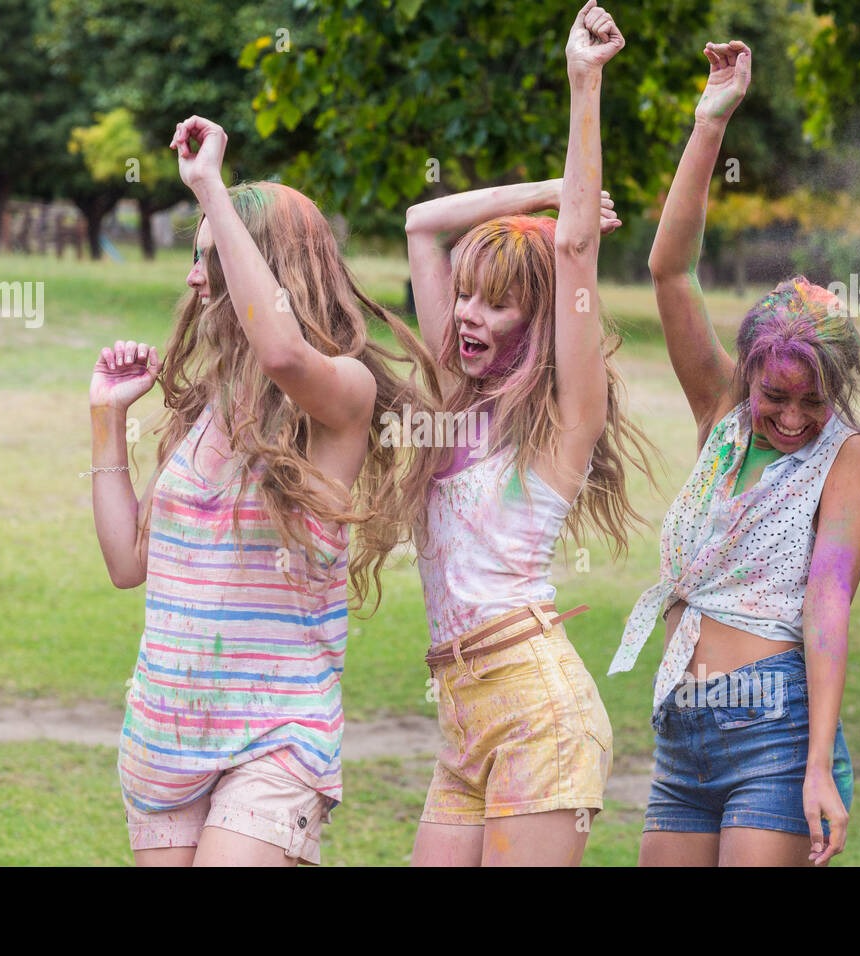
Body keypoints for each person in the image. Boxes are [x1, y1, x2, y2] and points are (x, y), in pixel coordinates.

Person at [89, 115, 435, 866]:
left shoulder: (342, 394)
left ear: (268, 269)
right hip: (164, 727)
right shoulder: (199, 410)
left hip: (275, 733)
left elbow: (280, 349)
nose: (191, 278)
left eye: (209, 258)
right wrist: (106, 418)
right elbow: (125, 563)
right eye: (196, 256)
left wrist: (209, 184)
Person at [609, 40, 860, 867]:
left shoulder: (848, 455)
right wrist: (709, 122)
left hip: (772, 725)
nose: (793, 417)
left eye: (812, 398)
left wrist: (816, 767)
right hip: (682, 730)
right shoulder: (721, 412)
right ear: (749, 375)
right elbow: (670, 269)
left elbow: (828, 604)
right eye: (776, 396)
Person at [404, 1, 655, 866]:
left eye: (496, 300)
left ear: (538, 320)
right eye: (464, 294)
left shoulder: (564, 422)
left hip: (539, 711)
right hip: (461, 712)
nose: (467, 314)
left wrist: (583, 84)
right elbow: (419, 224)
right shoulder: (450, 392)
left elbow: (577, 256)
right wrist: (549, 195)